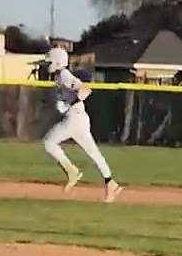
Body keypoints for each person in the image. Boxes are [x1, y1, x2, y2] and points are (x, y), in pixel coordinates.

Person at [41, 46, 122, 203]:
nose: (47, 64)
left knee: (48, 143)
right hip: (77, 117)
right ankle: (110, 182)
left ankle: (72, 171)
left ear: (57, 62)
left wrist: (72, 102)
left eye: (50, 61)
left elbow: (85, 90)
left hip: (74, 119)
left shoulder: (64, 75)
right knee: (93, 152)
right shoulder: (60, 76)